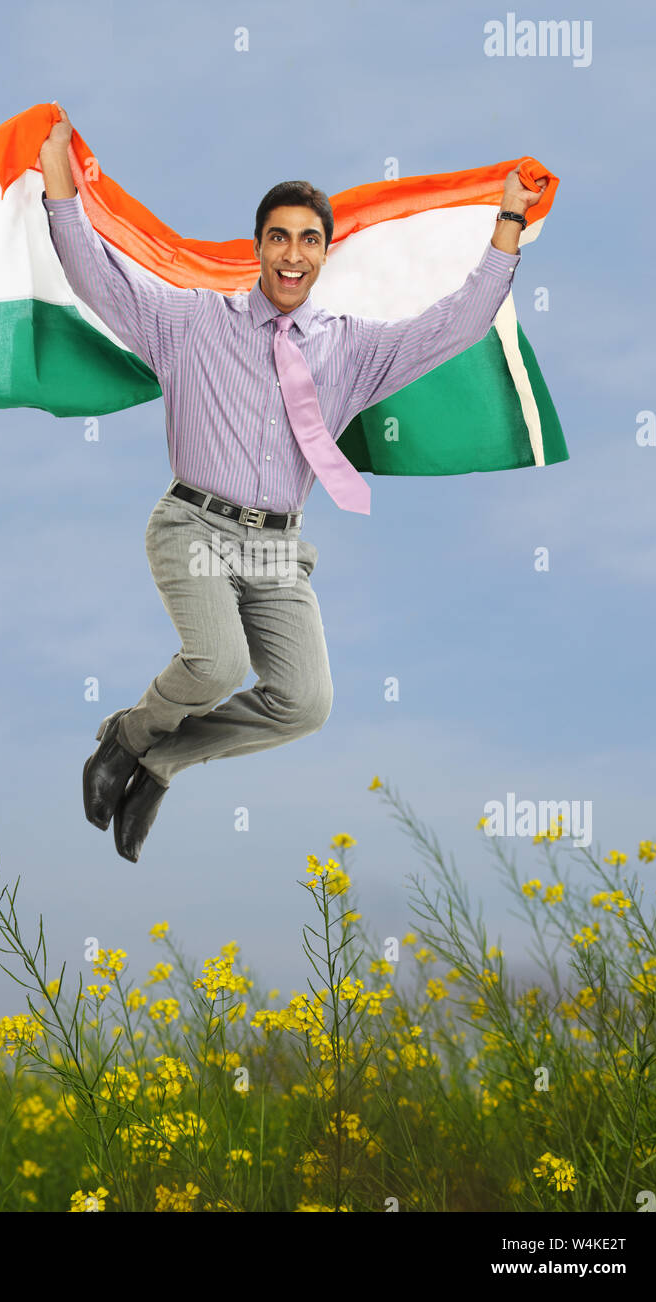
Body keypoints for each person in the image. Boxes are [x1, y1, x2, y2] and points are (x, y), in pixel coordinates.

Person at [39, 106, 547, 863]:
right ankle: (127, 736)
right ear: (259, 248)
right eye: (279, 236)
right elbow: (96, 277)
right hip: (196, 526)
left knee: (306, 703)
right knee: (216, 662)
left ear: (324, 254)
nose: (292, 253)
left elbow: (457, 323)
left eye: (309, 239)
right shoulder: (191, 323)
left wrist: (508, 217)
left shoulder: (352, 350)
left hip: (277, 549)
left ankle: (163, 761)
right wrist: (56, 178)